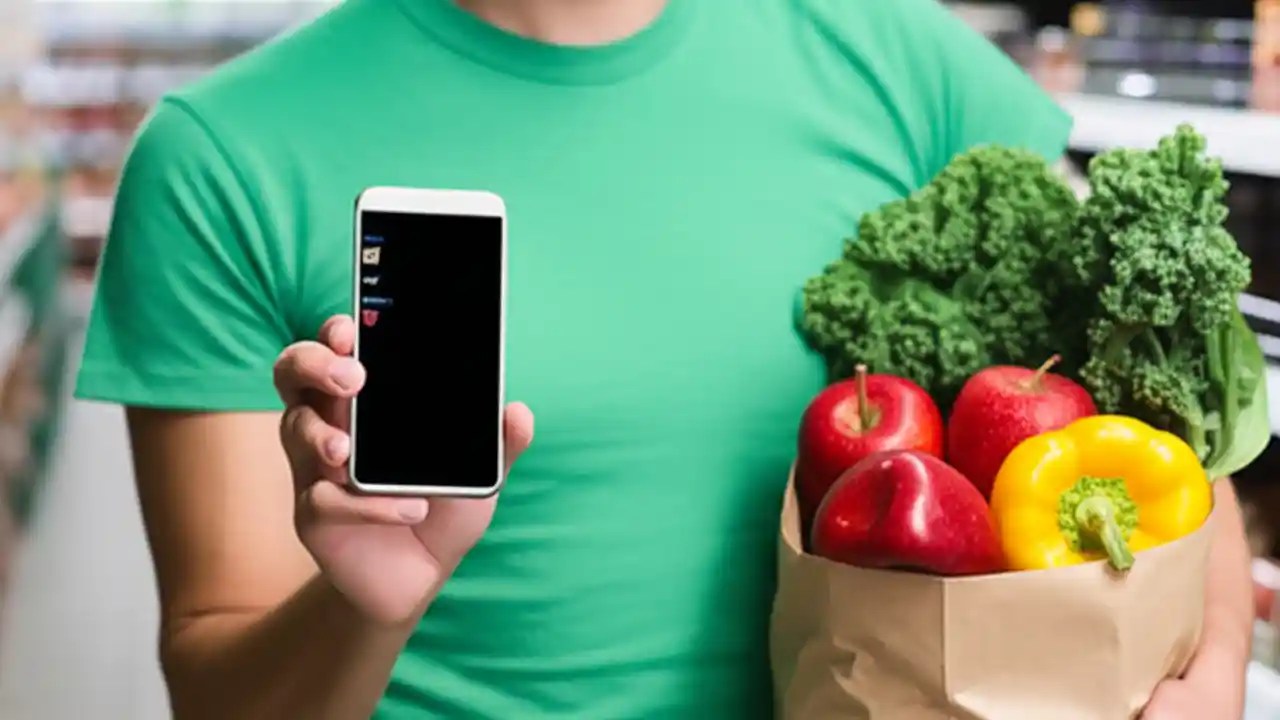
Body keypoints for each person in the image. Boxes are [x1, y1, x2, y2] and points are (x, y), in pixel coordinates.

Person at [73, 0, 1253, 718]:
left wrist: (1205, 684)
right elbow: (217, 696)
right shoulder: (221, 157)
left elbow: (1157, 397)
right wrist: (361, 609)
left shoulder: (898, 58)